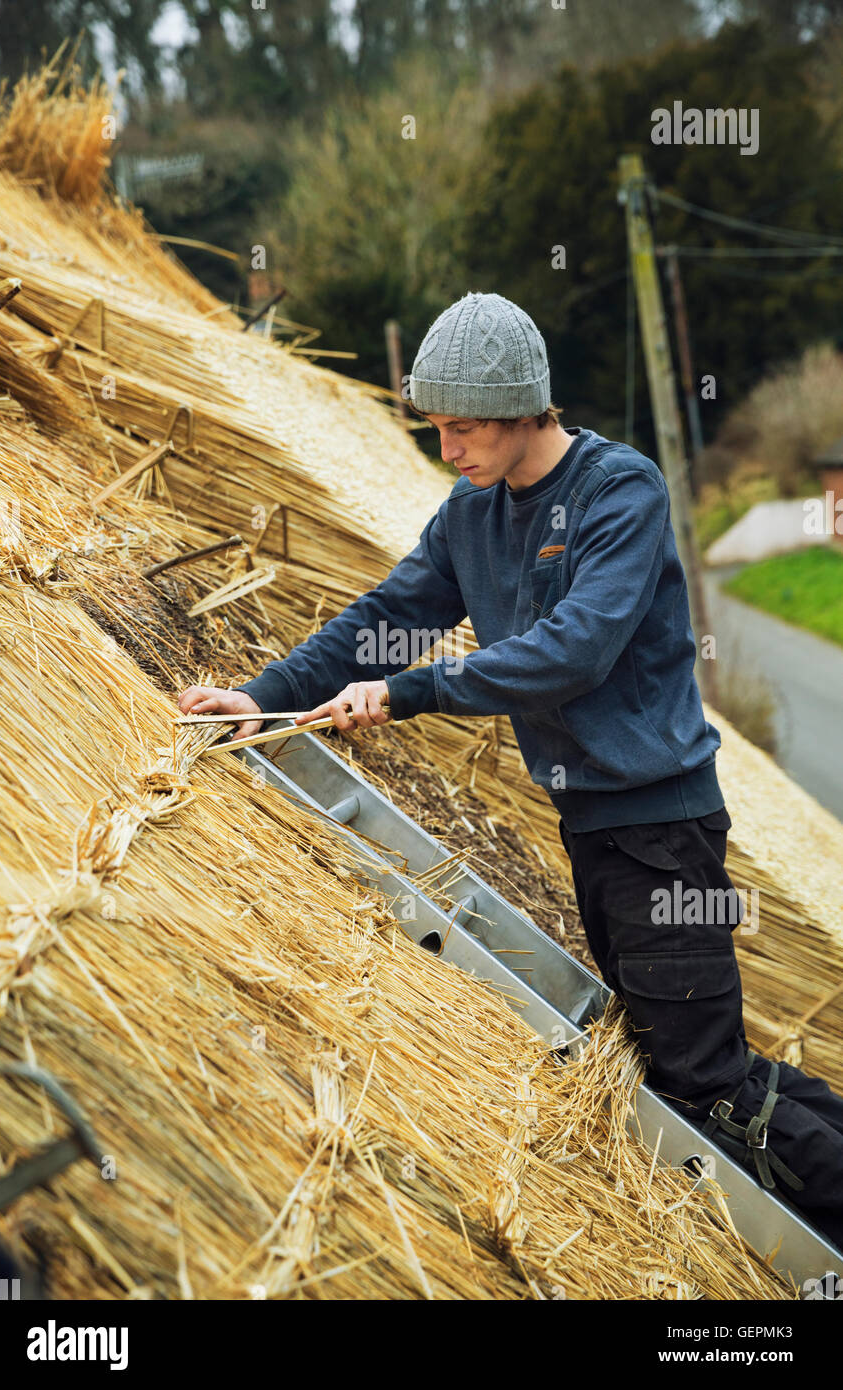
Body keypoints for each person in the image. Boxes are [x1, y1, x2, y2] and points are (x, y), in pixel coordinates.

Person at [179, 291, 843, 1252]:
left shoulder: (622, 494)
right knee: (708, 1063)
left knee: (701, 1086)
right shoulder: (470, 515)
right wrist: (263, 692)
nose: (448, 449)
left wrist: (414, 691)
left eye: (463, 427)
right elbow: (382, 617)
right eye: (437, 428)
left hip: (663, 830)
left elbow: (573, 650)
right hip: (595, 831)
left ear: (527, 405)